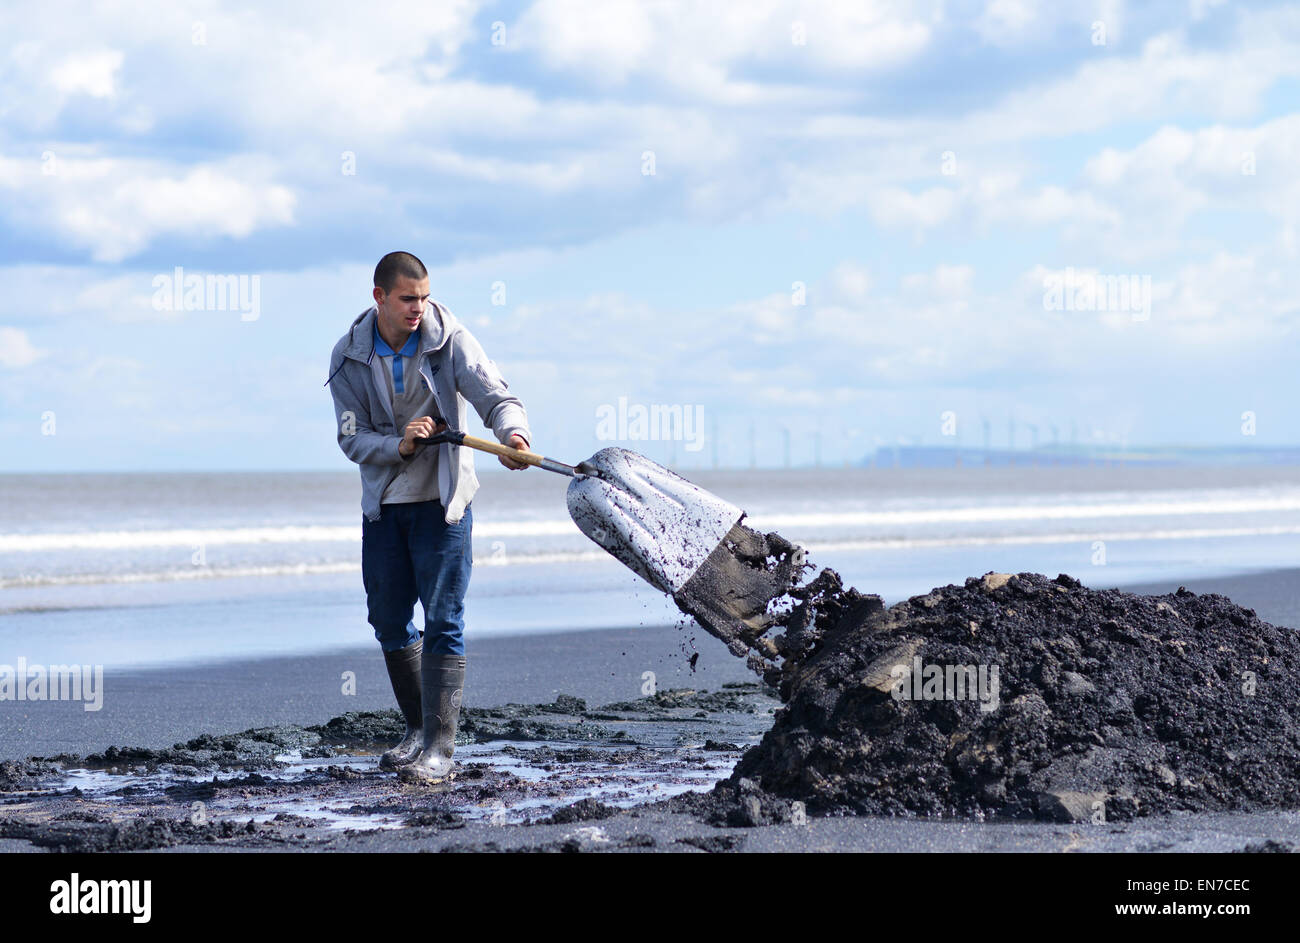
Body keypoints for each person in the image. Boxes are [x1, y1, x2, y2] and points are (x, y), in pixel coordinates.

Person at [325, 251, 532, 783]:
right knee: (389, 621)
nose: (419, 307)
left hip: (444, 501)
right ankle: (418, 731)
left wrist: (514, 436)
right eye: (407, 299)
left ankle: (440, 751)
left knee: (444, 619)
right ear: (380, 298)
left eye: (423, 296)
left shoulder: (450, 337)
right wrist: (400, 443)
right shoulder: (347, 357)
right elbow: (351, 438)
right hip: (385, 503)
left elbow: (496, 395)